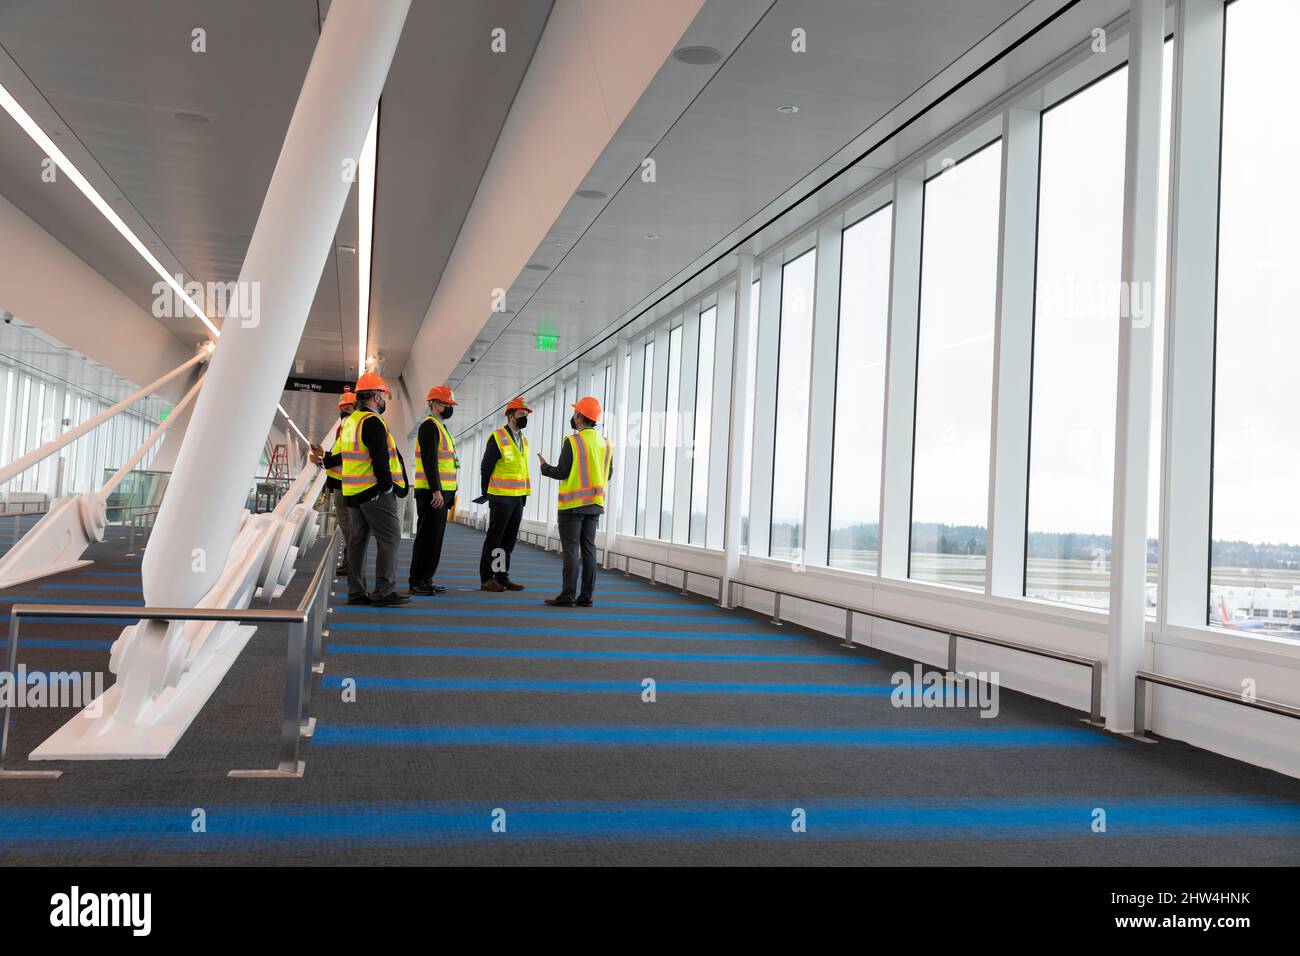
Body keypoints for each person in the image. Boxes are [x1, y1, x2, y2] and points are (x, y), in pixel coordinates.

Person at [320, 372, 410, 607]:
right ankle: (384, 591)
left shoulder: (350, 422)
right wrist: (387, 488)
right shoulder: (372, 422)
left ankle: (356, 591)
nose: (384, 400)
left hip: (353, 493)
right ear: (376, 395)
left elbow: (347, 457)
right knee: (390, 539)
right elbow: (380, 459)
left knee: (358, 542)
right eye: (383, 395)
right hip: (374, 492)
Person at [538, 396, 612, 607]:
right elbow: (608, 474)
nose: (573, 416)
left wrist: (544, 468)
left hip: (572, 506)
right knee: (589, 549)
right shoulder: (606, 443)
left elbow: (562, 472)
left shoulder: (573, 441)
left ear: (580, 417)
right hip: (595, 504)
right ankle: (586, 597)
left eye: (575, 413)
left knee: (571, 549)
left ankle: (567, 595)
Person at [477, 396, 531, 592]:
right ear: (510, 416)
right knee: (495, 539)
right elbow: (486, 467)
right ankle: (487, 577)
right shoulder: (498, 437)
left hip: (517, 498)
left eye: (526, 414)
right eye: (520, 414)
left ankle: (501, 576)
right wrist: (487, 493)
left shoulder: (523, 440)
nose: (524, 417)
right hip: (500, 497)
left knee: (508, 540)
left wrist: (522, 496)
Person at [408, 385, 459, 596]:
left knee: (435, 539)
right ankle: (417, 580)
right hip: (432, 493)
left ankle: (427, 578)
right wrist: (436, 490)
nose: (449, 407)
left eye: (450, 404)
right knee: (426, 538)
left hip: (443, 493)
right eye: (447, 404)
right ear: (435, 404)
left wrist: (450, 491)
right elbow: (430, 461)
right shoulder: (429, 426)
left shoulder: (441, 427)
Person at [322, 389, 356, 577]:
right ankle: (349, 563)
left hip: (346, 484)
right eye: (342, 407)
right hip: (343, 482)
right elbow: (339, 453)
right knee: (348, 527)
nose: (343, 410)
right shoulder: (345, 425)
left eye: (346, 407)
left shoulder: (349, 425)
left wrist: (324, 461)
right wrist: (324, 458)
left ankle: (351, 564)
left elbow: (346, 455)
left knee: (348, 527)